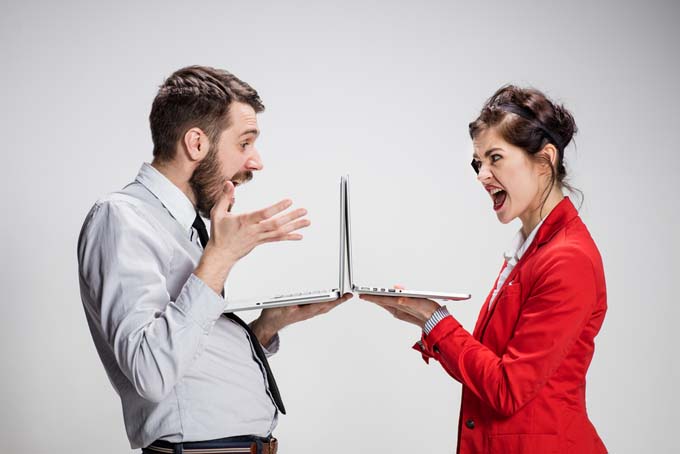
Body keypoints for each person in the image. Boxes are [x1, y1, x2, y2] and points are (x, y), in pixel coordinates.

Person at [77, 65, 350, 453]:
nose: (256, 163)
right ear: (196, 144)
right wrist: (219, 258)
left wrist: (267, 327)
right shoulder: (122, 217)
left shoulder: (183, 226)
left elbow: (187, 362)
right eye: (244, 143)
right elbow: (150, 371)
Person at [360, 86, 608, 453]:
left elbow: (507, 389)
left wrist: (434, 318)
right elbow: (491, 366)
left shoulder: (567, 259)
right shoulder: (532, 249)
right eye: (478, 162)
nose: (482, 175)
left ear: (545, 160)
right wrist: (422, 317)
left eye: (495, 158)